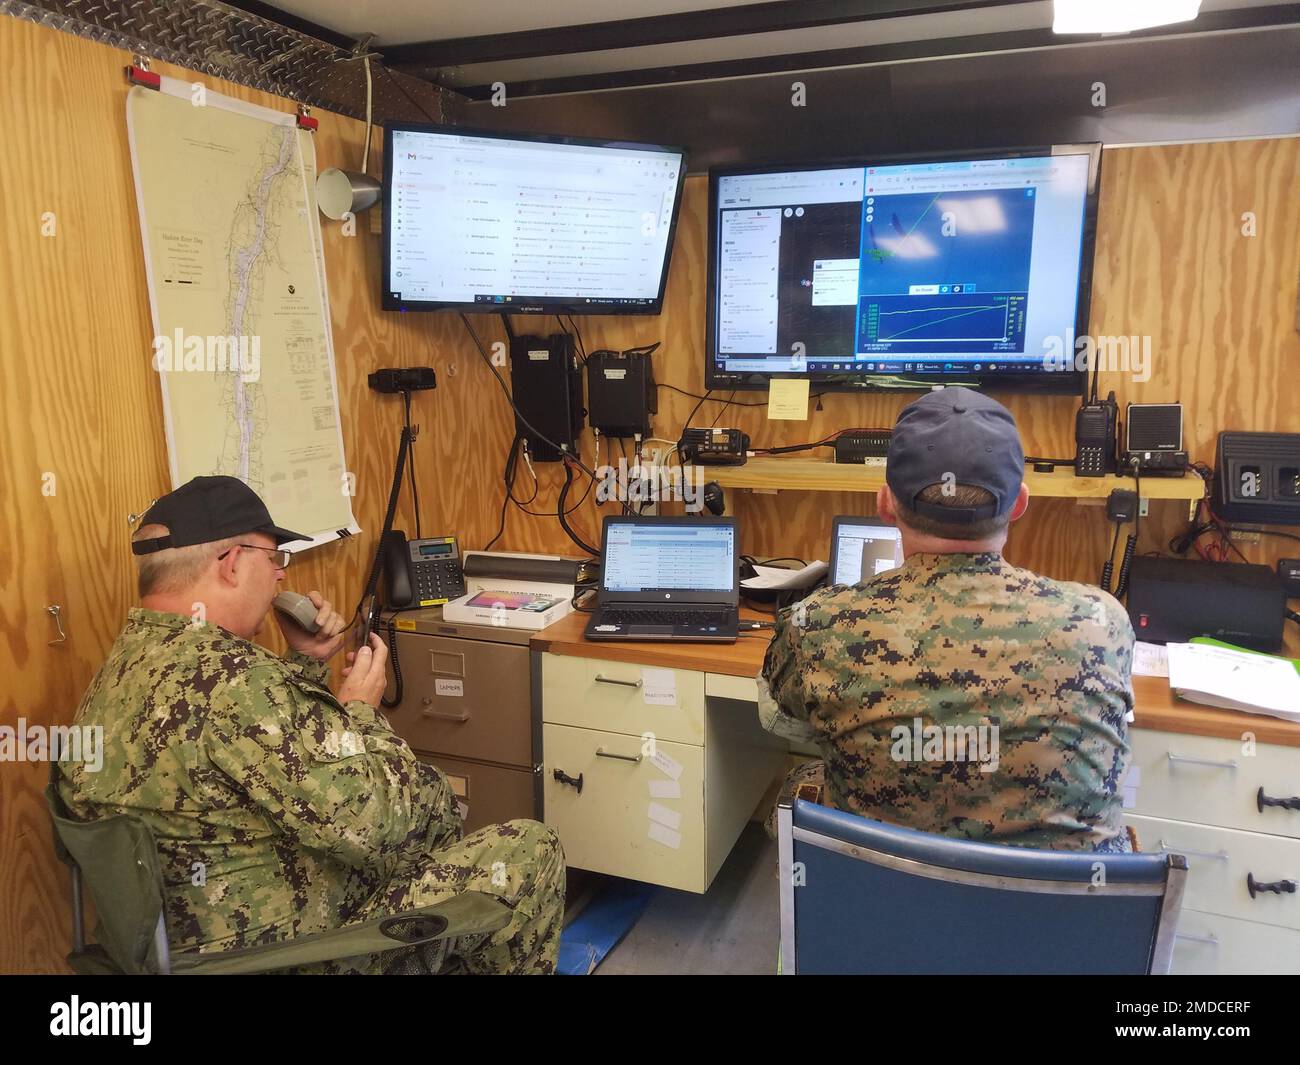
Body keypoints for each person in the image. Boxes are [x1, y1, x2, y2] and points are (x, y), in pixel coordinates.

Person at [58, 476, 565, 973]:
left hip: (185, 954)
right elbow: (385, 826)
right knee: (528, 851)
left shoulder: (121, 670)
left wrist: (303, 665)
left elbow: (257, 768)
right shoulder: (238, 683)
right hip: (295, 954)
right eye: (274, 558)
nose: (281, 576)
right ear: (232, 563)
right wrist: (359, 715)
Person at [759, 388, 1134, 852]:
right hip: (1059, 914)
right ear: (1018, 504)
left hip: (878, 902)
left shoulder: (817, 625)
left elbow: (778, 719)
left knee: (798, 782)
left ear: (885, 504)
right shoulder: (1101, 621)